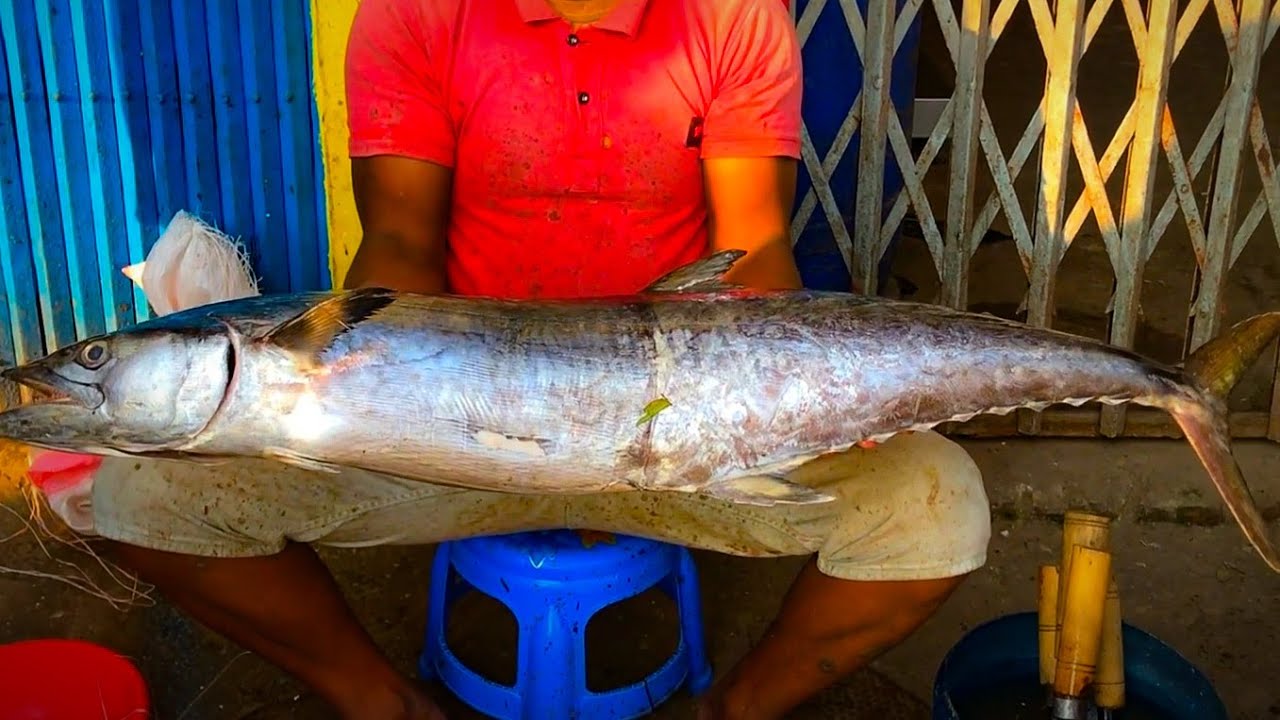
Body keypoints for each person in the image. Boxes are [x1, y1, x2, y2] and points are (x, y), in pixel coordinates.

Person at [92, 0, 993, 718]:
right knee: (136, 497)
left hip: (685, 434)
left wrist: (824, 396)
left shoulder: (733, 12)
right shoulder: (414, 12)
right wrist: (340, 402)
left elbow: (752, 250)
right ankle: (380, 701)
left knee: (938, 514)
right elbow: (400, 244)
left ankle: (738, 710)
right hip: (446, 433)